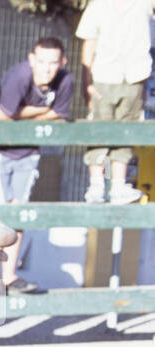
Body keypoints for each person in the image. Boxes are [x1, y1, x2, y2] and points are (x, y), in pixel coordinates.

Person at [0, 37, 72, 293]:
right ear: (32, 59)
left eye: (53, 62)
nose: (47, 68)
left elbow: (60, 114)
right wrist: (41, 111)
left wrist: (23, 113)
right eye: (42, 61)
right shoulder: (19, 76)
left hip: (29, 153)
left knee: (18, 213)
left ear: (62, 62)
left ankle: (10, 276)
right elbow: (1, 115)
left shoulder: (65, 80)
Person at [76, 0, 151, 204]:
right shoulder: (98, 6)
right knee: (100, 134)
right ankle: (97, 185)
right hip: (104, 77)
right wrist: (87, 82)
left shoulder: (144, 3)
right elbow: (88, 44)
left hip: (134, 77)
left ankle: (117, 185)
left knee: (125, 133)